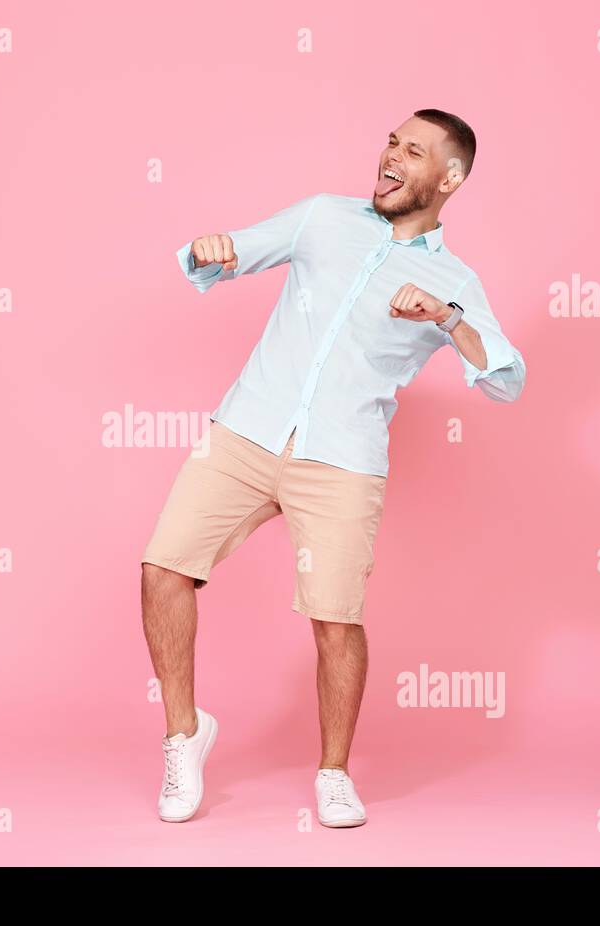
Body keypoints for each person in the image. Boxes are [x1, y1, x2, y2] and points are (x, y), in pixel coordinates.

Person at [141, 109, 526, 826]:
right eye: (391, 141)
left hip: (343, 461)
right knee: (163, 567)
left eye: (414, 152)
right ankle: (184, 735)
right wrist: (211, 248)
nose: (390, 157)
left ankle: (334, 773)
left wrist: (447, 317)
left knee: (335, 620)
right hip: (247, 431)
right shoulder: (322, 219)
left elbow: (506, 378)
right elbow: (230, 254)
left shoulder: (452, 278)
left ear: (449, 179)